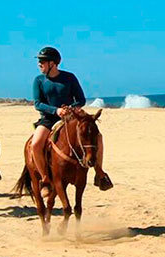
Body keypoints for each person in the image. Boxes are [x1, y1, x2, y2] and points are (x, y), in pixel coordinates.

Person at [30, 46, 113, 195]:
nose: (39, 64)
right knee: (36, 144)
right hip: (49, 118)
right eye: (39, 61)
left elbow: (80, 99)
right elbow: (37, 103)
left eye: (42, 61)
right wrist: (56, 110)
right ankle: (45, 180)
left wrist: (70, 108)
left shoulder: (69, 77)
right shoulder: (39, 80)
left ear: (53, 63)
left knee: (98, 137)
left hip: (72, 117)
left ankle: (99, 173)